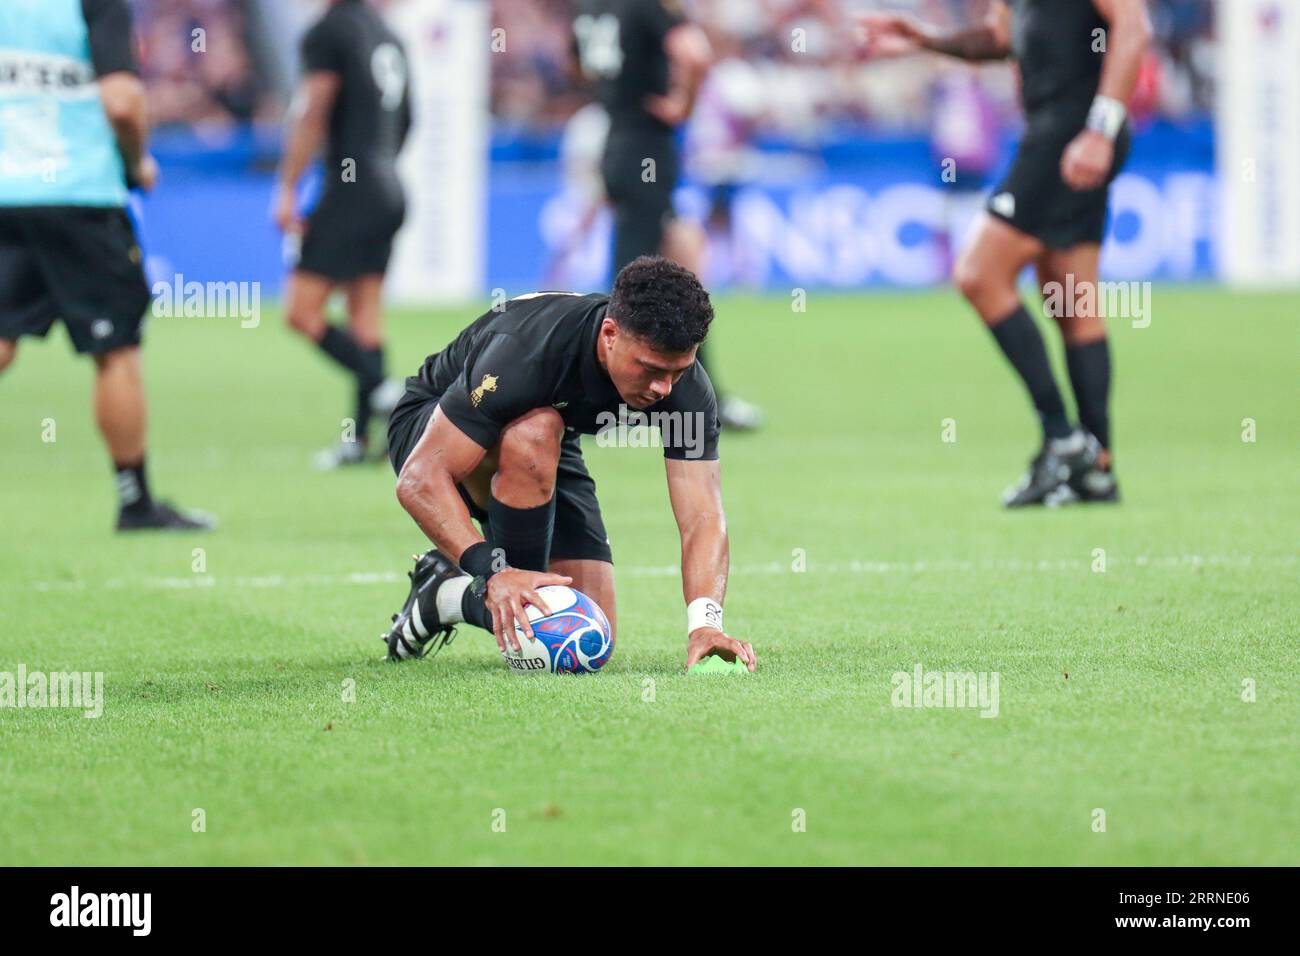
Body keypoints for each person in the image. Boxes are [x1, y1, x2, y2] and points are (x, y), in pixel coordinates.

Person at [380, 256, 756, 673]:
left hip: (547, 442)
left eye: (678, 371)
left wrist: (704, 625)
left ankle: (443, 595)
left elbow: (702, 514)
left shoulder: (684, 393)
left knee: (587, 637)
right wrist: (494, 571)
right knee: (536, 432)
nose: (663, 388)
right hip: (434, 431)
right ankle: (495, 582)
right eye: (651, 369)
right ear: (610, 334)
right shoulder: (527, 352)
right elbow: (420, 478)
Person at [860, 0, 1152, 506]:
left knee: (978, 274)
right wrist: (926, 38)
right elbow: (999, 39)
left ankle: (1063, 438)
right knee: (1072, 300)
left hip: (1074, 131)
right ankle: (1098, 468)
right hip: (1054, 128)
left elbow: (1133, 26)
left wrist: (1100, 129)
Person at [0, 0, 213, 531]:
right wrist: (136, 161)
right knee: (115, 349)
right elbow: (122, 102)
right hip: (80, 195)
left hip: (6, 193)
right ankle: (135, 501)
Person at [572, 0, 763, 431]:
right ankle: (606, 399)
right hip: (647, 148)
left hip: (616, 142)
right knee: (631, 284)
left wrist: (618, 90)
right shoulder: (646, 6)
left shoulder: (590, 9)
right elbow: (694, 53)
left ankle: (702, 396)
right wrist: (683, 103)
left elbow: (580, 66)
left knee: (681, 265)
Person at [273, 0, 412, 469]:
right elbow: (408, 120)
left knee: (300, 310)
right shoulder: (387, 35)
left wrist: (288, 187)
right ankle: (361, 441)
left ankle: (391, 394)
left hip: (351, 190)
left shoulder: (327, 32)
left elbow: (313, 111)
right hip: (389, 184)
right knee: (365, 316)